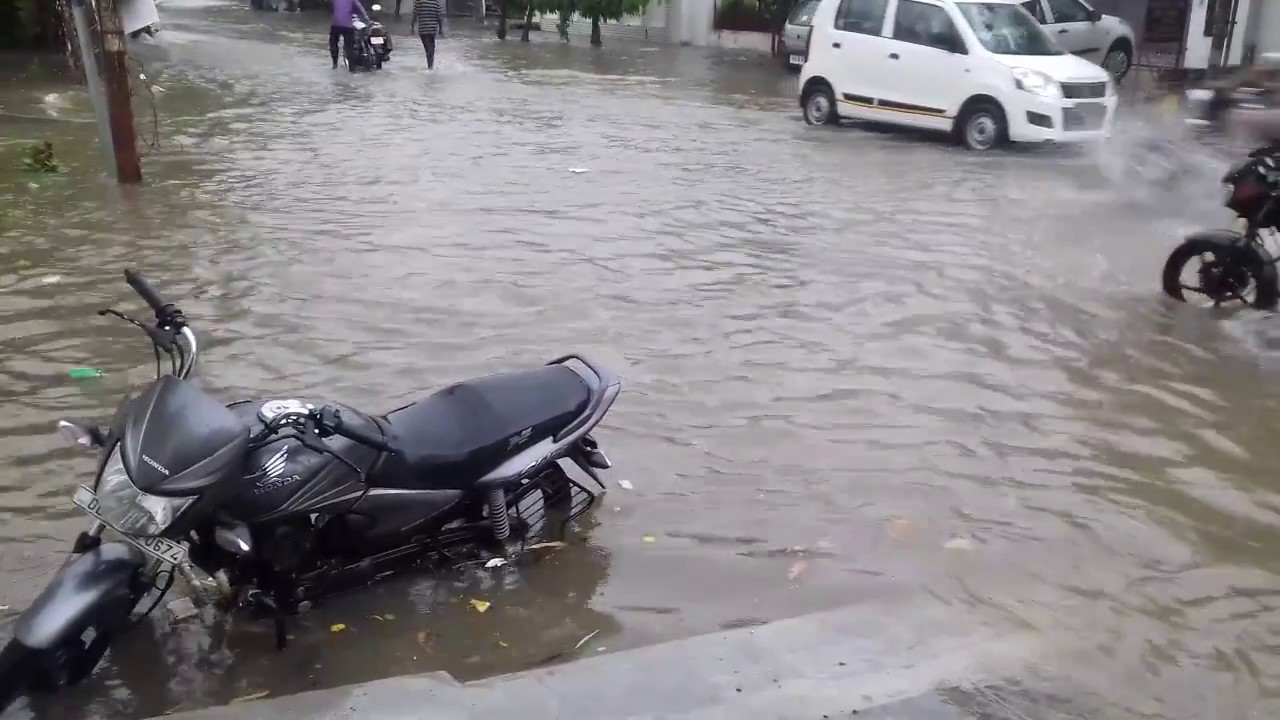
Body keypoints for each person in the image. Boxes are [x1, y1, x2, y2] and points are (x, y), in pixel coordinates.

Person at [331, 0, 371, 69]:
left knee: (333, 44)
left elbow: (332, 10)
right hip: (347, 25)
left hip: (336, 24)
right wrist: (367, 19)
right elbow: (360, 10)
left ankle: (335, 65)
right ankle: (352, 67)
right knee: (349, 46)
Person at [411, 0, 445, 70]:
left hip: (423, 30)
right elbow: (439, 17)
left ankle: (430, 66)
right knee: (431, 48)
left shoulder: (419, 2)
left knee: (427, 48)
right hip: (432, 29)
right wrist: (440, 29)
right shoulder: (436, 2)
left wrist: (412, 26)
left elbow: (415, 14)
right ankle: (430, 66)